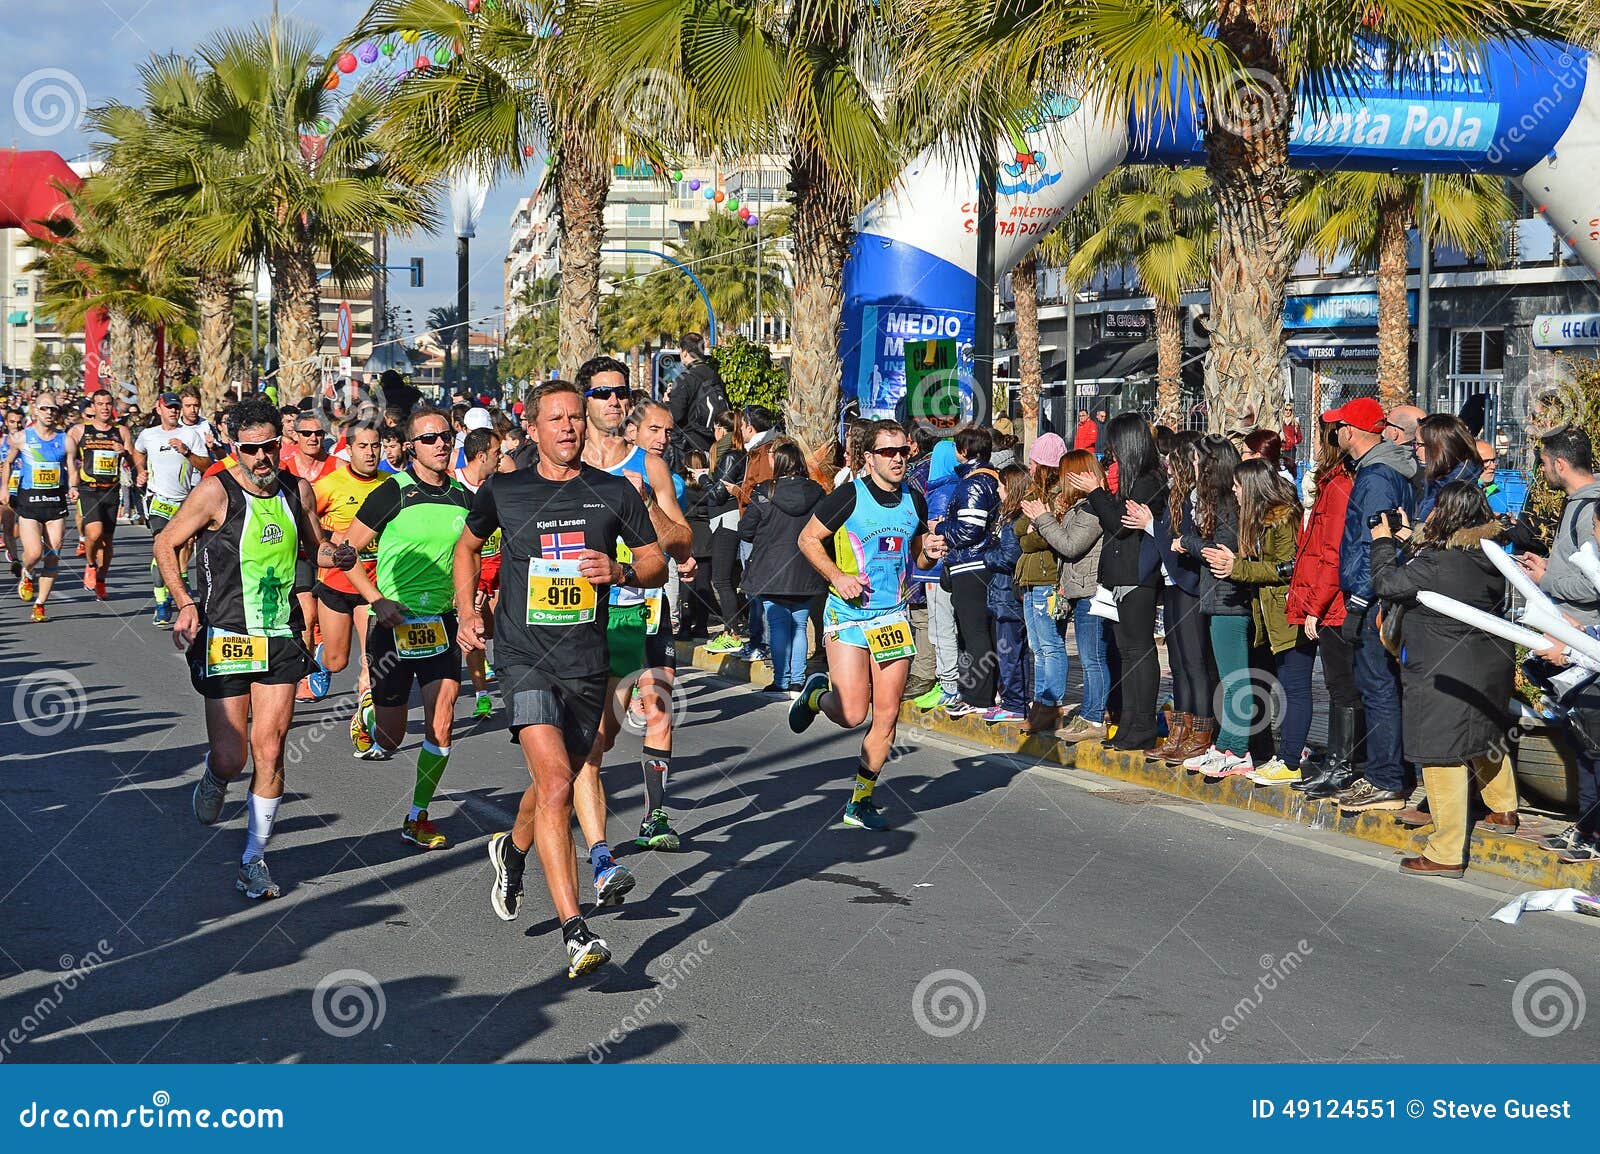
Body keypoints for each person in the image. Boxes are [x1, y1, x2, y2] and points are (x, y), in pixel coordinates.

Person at [455, 379, 664, 980]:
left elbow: (654, 561)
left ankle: (511, 850)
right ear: (534, 428)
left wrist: (620, 567)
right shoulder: (505, 490)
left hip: (587, 663)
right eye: (556, 419)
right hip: (524, 657)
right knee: (553, 785)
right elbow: (466, 550)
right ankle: (576, 930)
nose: (569, 428)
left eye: (576, 418)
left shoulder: (613, 492)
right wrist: (469, 611)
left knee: (557, 782)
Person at [155, 397, 355, 899]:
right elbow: (166, 543)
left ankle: (253, 859)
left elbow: (316, 548)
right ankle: (214, 776)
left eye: (270, 447)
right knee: (232, 755)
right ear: (233, 446)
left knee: (270, 748)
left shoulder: (297, 491)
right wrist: (184, 603)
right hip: (226, 635)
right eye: (251, 449)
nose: (262, 458)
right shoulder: (213, 493)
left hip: (282, 635)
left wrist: (346, 551)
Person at [790, 419, 947, 829]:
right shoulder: (848, 497)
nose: (898, 459)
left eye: (903, 451)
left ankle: (860, 802)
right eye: (888, 452)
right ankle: (815, 696)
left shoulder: (916, 498)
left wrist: (930, 551)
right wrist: (837, 577)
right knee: (851, 713)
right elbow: (807, 540)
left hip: (891, 615)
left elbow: (918, 559)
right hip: (848, 615)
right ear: (869, 458)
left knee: (888, 714)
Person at [576, 364, 694, 874]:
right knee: (601, 733)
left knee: (660, 705)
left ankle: (654, 816)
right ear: (585, 400)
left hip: (645, 606)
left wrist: (645, 503)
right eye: (602, 392)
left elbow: (683, 540)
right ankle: (583, 818)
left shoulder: (649, 466)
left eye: (621, 393)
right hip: (591, 613)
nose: (613, 400)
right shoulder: (566, 462)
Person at [341, 407, 473, 853]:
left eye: (446, 436)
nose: (441, 444)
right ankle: (370, 712)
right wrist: (376, 600)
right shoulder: (391, 492)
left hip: (440, 625)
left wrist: (473, 609)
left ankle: (417, 815)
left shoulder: (463, 499)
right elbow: (345, 553)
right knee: (390, 739)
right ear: (411, 447)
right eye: (429, 438)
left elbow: (470, 559)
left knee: (443, 719)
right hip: (391, 627)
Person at [1370, 482, 1517, 877]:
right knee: (1481, 735)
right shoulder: (1488, 554)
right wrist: (1410, 536)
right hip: (1487, 663)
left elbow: (1386, 584)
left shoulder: (1436, 563)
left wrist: (1382, 543)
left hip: (1441, 668)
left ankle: (1445, 851)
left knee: (1441, 752)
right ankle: (1504, 810)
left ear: (1447, 514)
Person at [1327, 395, 1418, 813]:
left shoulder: (1377, 476)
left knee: (1378, 688)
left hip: (1373, 597)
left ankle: (1386, 779)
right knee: (1380, 686)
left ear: (1352, 431)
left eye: (1337, 426)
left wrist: (1361, 602)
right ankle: (1387, 773)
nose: (1333, 434)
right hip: (1378, 592)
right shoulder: (1379, 470)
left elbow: (1374, 541)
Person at [1067, 414, 1168, 750]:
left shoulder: (1147, 480)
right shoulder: (1128, 480)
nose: (1109, 451)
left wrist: (1096, 492)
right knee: (1124, 651)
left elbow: (1119, 524)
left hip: (1136, 577)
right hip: (1115, 577)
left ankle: (1143, 723)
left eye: (1114, 443)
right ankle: (1128, 720)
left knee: (1139, 650)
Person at [1211, 459, 1305, 784]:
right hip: (1266, 615)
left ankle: (1291, 757)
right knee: (1266, 681)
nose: (1234, 492)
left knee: (1294, 687)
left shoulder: (1282, 517)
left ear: (1250, 488)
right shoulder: (1256, 519)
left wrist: (1237, 568)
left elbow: (1286, 567)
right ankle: (1269, 751)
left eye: (1237, 487)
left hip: (1286, 613)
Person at [1290, 418, 1364, 799]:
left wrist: (1314, 607)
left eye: (1320, 441)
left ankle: (1344, 764)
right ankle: (1338, 761)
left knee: (1342, 687)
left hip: (1334, 605)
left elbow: (1332, 553)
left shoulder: (1338, 486)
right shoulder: (1330, 483)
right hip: (1329, 601)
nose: (1315, 448)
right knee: (1339, 687)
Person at [1176, 436, 1254, 777]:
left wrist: (1186, 542)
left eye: (1198, 461)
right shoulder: (1219, 503)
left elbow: (1218, 551)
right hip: (1219, 598)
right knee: (1228, 677)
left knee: (1235, 678)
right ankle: (1225, 745)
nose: (1194, 467)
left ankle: (1237, 749)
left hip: (1228, 600)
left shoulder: (1226, 506)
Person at [1025, 450, 1112, 742]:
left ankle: (1094, 716)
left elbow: (1071, 546)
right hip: (1078, 589)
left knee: (1093, 658)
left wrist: (1043, 518)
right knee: (1090, 657)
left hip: (1092, 592)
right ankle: (1091, 712)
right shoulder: (1080, 507)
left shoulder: (1091, 509)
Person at [1146, 431, 1214, 764]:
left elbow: (1183, 539)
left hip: (1189, 585)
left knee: (1193, 663)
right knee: (1176, 663)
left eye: (1172, 457)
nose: (1167, 463)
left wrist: (1150, 526)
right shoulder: (1176, 495)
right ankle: (1179, 731)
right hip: (1172, 585)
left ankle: (1200, 734)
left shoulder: (1195, 497)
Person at [739, 439, 826, 693]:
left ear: (778, 463)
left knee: (778, 625)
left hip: (771, 569)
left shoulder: (765, 491)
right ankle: (798, 679)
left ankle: (781, 680)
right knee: (799, 625)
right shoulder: (818, 492)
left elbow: (746, 530)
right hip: (807, 568)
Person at [311, 424, 388, 708]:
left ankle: (366, 717)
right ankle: (320, 658)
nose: (370, 453)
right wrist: (334, 537)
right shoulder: (330, 485)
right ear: (349, 450)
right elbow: (306, 524)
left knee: (372, 657)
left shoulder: (391, 484)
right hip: (336, 583)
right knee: (336, 660)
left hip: (372, 585)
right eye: (363, 447)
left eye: (375, 446)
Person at [939, 426, 1003, 716]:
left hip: (971, 566)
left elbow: (968, 530)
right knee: (985, 633)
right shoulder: (992, 479)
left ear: (962, 452)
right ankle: (989, 693)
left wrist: (940, 527)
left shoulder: (973, 484)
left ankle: (975, 698)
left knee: (973, 633)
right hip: (985, 564)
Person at [1, 392, 76, 622]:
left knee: (53, 554)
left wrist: (73, 486)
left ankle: (40, 604)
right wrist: (4, 487)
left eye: (53, 409)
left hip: (55, 502)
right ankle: (26, 572)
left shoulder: (66, 440)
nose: (50, 413)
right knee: (33, 553)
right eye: (45, 408)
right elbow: (9, 461)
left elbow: (71, 468)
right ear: (35, 411)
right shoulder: (22, 438)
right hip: (29, 501)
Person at [1518, 425, 1600, 627]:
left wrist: (1545, 580)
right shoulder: (1577, 502)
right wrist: (1550, 564)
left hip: (1580, 637)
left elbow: (1593, 585)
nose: (1542, 469)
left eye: (1544, 463)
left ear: (1560, 465)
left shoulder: (1589, 512)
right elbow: (1579, 565)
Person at [1014, 435, 1068, 733]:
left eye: (1034, 462)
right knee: (1037, 645)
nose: (1030, 467)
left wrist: (1035, 530)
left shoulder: (1059, 495)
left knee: (1050, 644)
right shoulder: (1037, 494)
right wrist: (1031, 529)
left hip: (1047, 578)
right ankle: (1040, 701)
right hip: (1030, 577)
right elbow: (1020, 529)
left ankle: (1051, 703)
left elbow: (1046, 537)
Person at [453, 426, 504, 718]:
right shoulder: (453, 487)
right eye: (497, 453)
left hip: (496, 570)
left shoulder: (500, 485)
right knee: (475, 632)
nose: (501, 458)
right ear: (481, 455)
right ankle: (481, 694)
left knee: (500, 630)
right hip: (466, 573)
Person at [910, 438, 963, 710]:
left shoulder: (940, 492)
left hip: (936, 571)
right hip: (952, 570)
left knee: (940, 627)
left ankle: (948, 684)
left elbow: (931, 531)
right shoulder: (959, 487)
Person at [68, 389, 133, 601]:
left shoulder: (121, 431)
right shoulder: (79, 431)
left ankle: (102, 580)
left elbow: (133, 462)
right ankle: (90, 564)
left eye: (108, 403)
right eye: (100, 404)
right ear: (93, 407)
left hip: (111, 490)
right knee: (94, 533)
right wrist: (73, 485)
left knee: (107, 541)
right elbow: (69, 460)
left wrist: (123, 452)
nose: (104, 407)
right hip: (89, 488)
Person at [981, 464, 1033, 722]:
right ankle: (1017, 699)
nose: (998, 491)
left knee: (1010, 650)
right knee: (1014, 649)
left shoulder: (1014, 521)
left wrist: (987, 556)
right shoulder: (1011, 517)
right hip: (1006, 594)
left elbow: (1009, 556)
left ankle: (1014, 701)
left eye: (1001, 486)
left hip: (1008, 594)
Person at [700, 410, 748, 653]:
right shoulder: (738, 454)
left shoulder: (729, 456)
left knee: (721, 579)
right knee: (729, 578)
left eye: (717, 427)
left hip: (725, 520)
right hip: (726, 519)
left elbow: (718, 494)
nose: (714, 433)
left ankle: (733, 632)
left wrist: (701, 479)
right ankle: (734, 627)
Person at [667, 332, 727, 456]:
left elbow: (674, 416)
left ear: (684, 352)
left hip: (691, 446)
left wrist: (667, 401)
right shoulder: (714, 375)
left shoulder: (685, 379)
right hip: (713, 442)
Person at [1414, 413, 1482, 520]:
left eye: (1419, 444)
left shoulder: (1457, 493)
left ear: (1440, 448)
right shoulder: (1439, 480)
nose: (1415, 449)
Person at [1476, 440, 1510, 515]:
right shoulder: (1460, 491)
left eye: (1493, 460)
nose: (1493, 466)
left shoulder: (1497, 491)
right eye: (1486, 461)